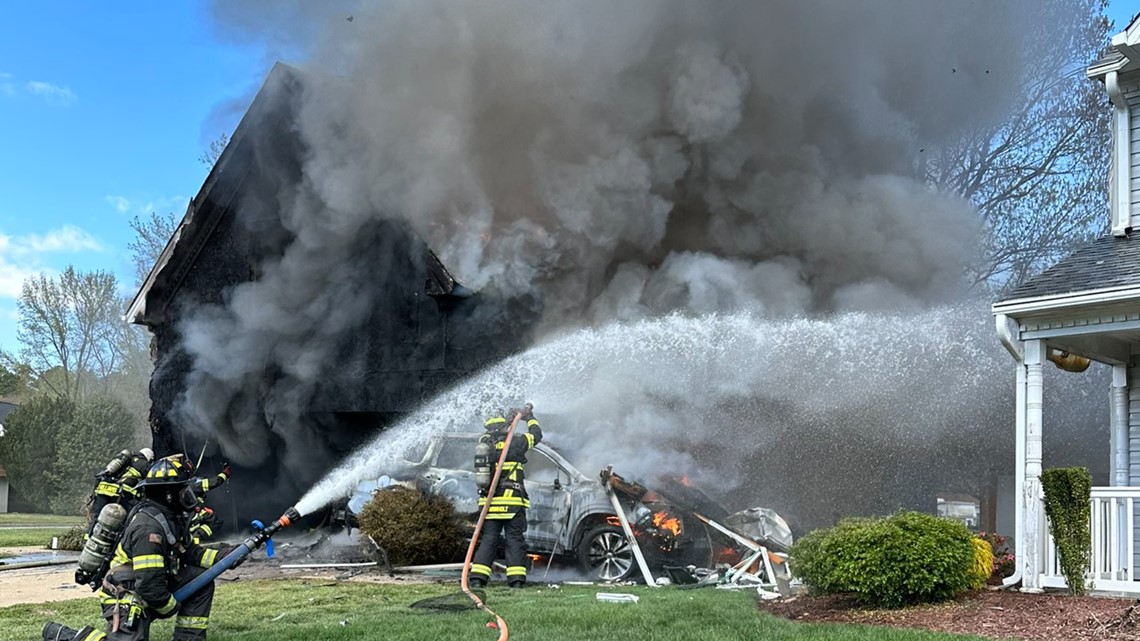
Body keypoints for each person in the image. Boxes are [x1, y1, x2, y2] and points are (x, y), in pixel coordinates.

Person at [44, 455, 225, 641]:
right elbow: (148, 584)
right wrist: (170, 606)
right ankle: (68, 636)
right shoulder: (148, 528)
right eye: (184, 490)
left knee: (200, 581)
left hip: (152, 585)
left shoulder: (171, 519)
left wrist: (227, 556)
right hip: (128, 593)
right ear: (169, 494)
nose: (188, 496)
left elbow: (190, 553)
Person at [468, 403, 542, 589]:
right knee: (514, 539)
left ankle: (477, 579)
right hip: (512, 503)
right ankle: (516, 581)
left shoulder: (484, 443)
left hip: (490, 504)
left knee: (488, 539)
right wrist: (529, 417)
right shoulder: (516, 442)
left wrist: (511, 419)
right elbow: (536, 435)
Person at [87, 448, 154, 536]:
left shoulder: (125, 460)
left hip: (102, 489)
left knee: (97, 516)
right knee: (126, 519)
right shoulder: (144, 464)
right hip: (120, 493)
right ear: (150, 458)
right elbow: (152, 480)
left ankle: (88, 538)